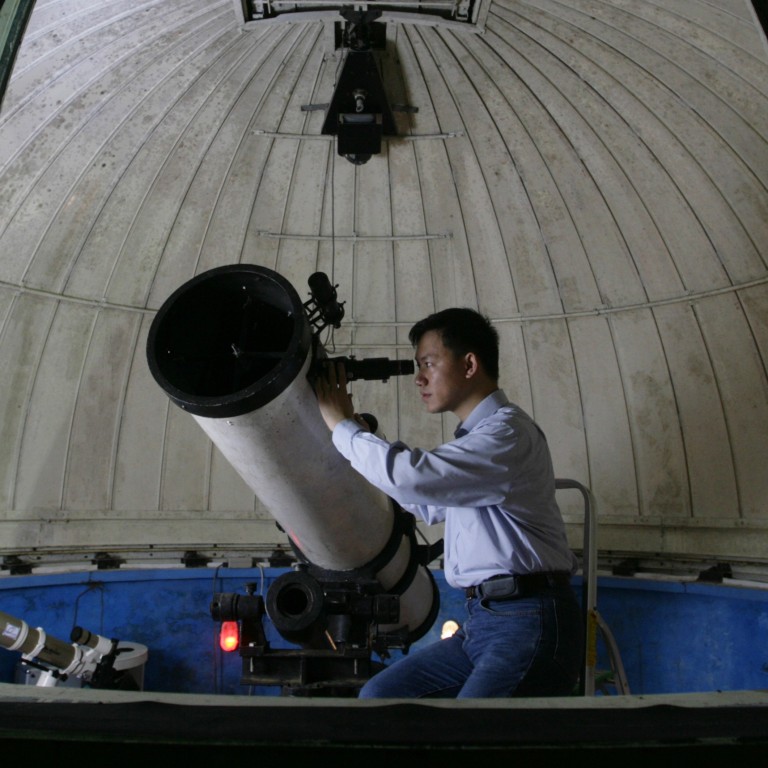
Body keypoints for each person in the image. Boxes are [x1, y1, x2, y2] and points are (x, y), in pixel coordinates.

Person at [314, 307, 583, 698]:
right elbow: (426, 502)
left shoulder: (506, 434)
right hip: (484, 622)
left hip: (529, 619)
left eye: (428, 363)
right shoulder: (476, 443)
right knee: (379, 700)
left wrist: (343, 427)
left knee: (466, 736)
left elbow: (412, 477)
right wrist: (363, 433)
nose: (419, 378)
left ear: (470, 363)